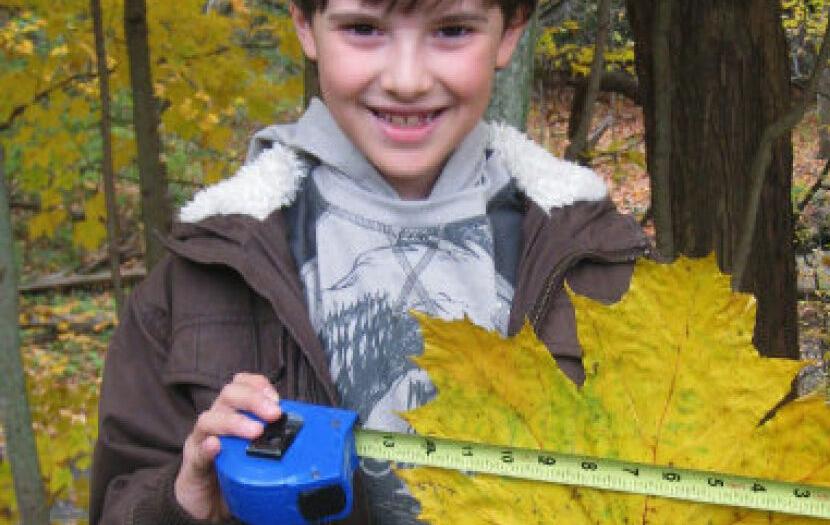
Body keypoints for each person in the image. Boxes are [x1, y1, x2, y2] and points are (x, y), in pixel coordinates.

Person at [90, 0, 650, 523]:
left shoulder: (603, 269)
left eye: (452, 30)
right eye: (364, 29)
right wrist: (182, 501)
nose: (406, 80)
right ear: (306, 25)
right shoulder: (203, 277)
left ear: (511, 31)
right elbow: (120, 497)